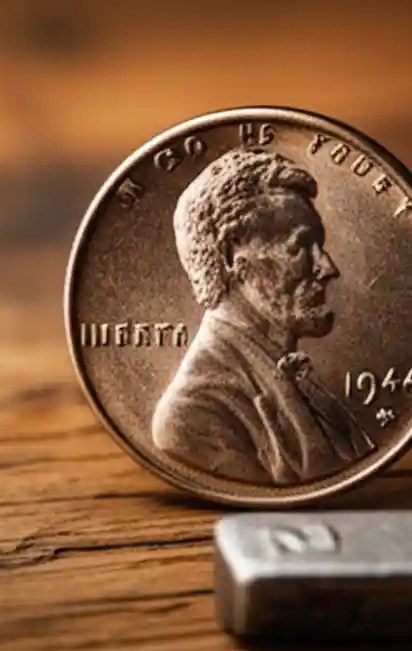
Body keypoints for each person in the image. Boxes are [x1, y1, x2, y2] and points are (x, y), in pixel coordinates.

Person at [152, 149, 374, 485]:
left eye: (321, 247)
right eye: (300, 246)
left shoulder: (300, 380)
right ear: (232, 256)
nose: (328, 268)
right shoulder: (190, 415)